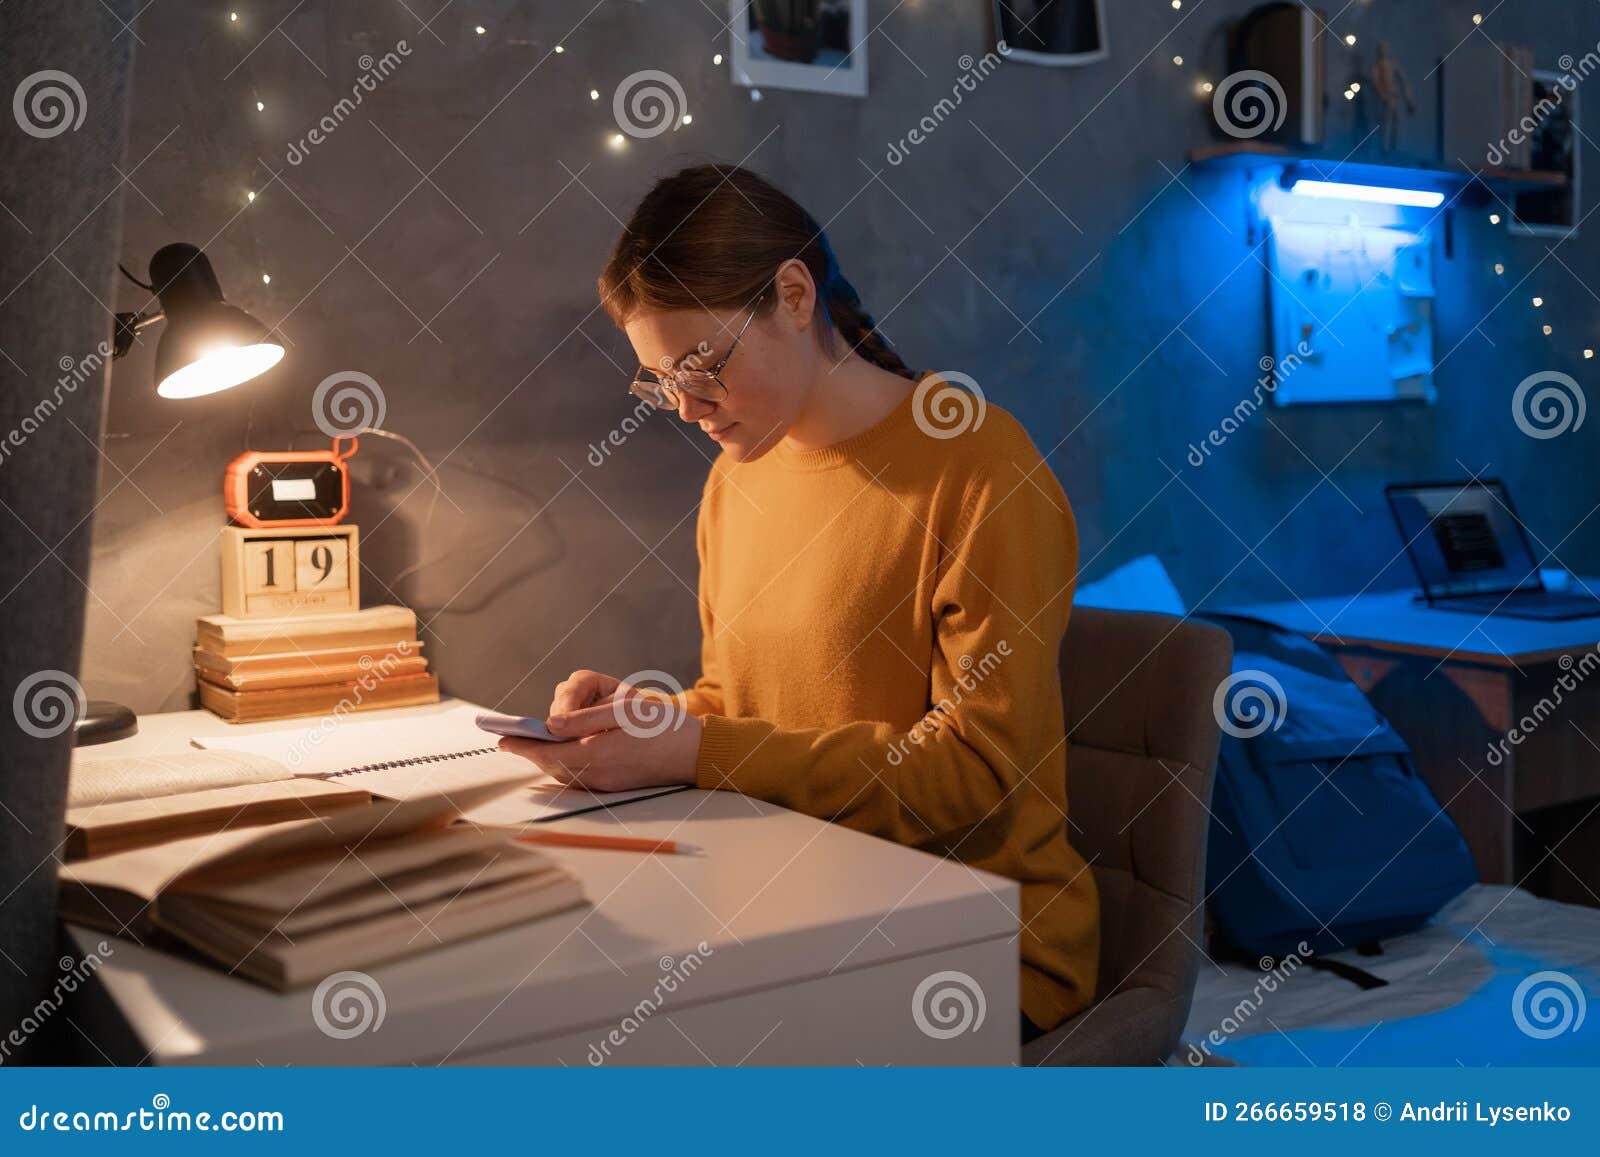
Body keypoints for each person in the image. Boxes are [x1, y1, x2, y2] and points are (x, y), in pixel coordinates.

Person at [499, 163, 1098, 1040]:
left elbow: (976, 778)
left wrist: (702, 747)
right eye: (662, 382)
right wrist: (647, 724)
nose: (687, 406)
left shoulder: (978, 466)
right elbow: (744, 710)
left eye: (701, 365)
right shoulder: (735, 484)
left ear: (791, 293)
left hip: (974, 938)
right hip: (790, 899)